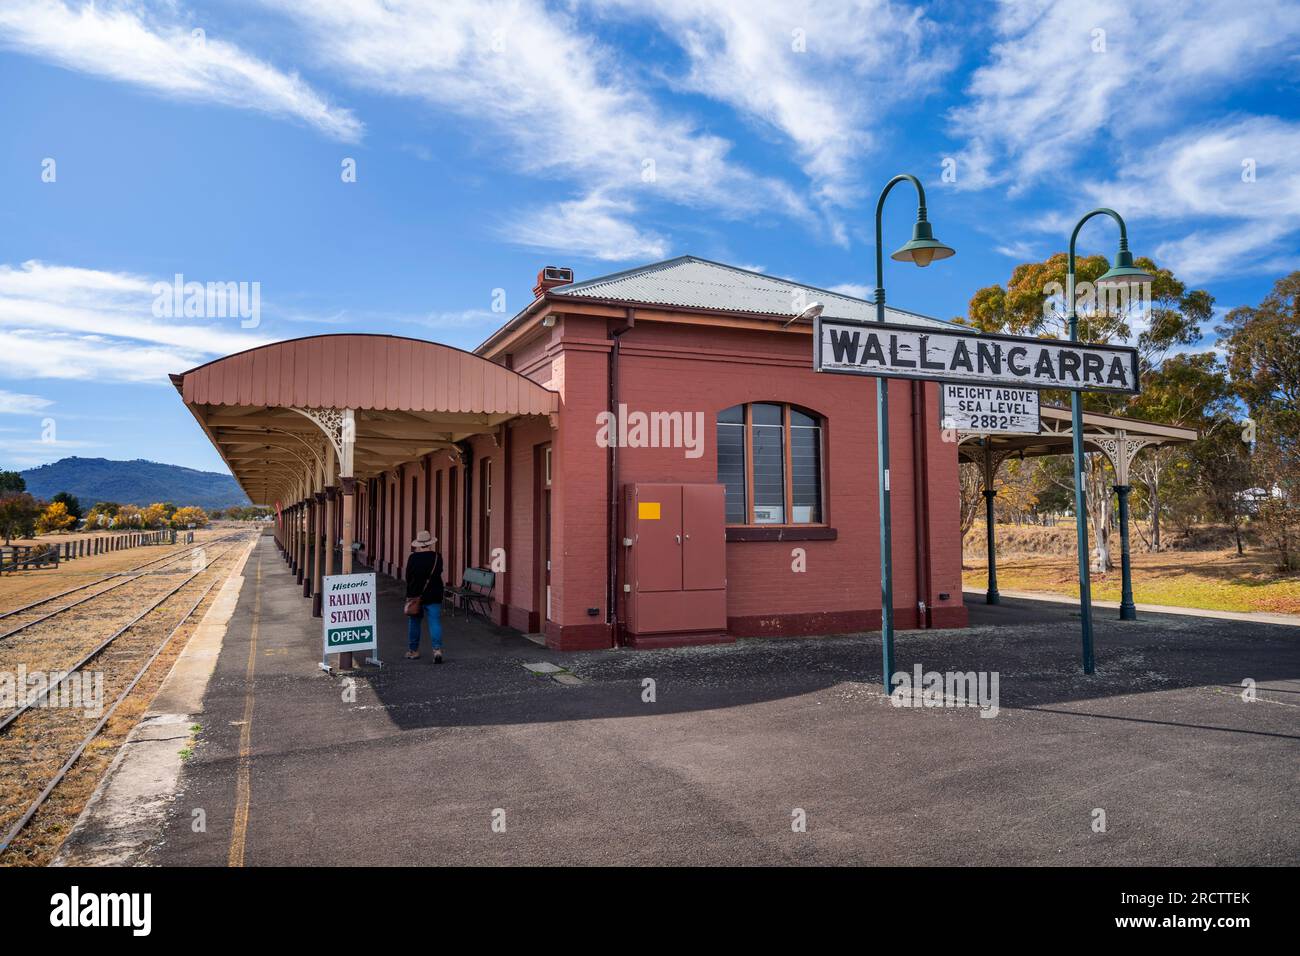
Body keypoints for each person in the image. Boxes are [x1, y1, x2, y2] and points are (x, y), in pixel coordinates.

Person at [403, 530, 444, 662]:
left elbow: (408, 577)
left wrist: (409, 594)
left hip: (415, 595)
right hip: (434, 594)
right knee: (434, 622)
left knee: (414, 622)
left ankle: (413, 651)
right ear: (430, 543)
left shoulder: (413, 558)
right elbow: (439, 572)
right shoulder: (437, 557)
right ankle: (437, 651)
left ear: (419, 544)